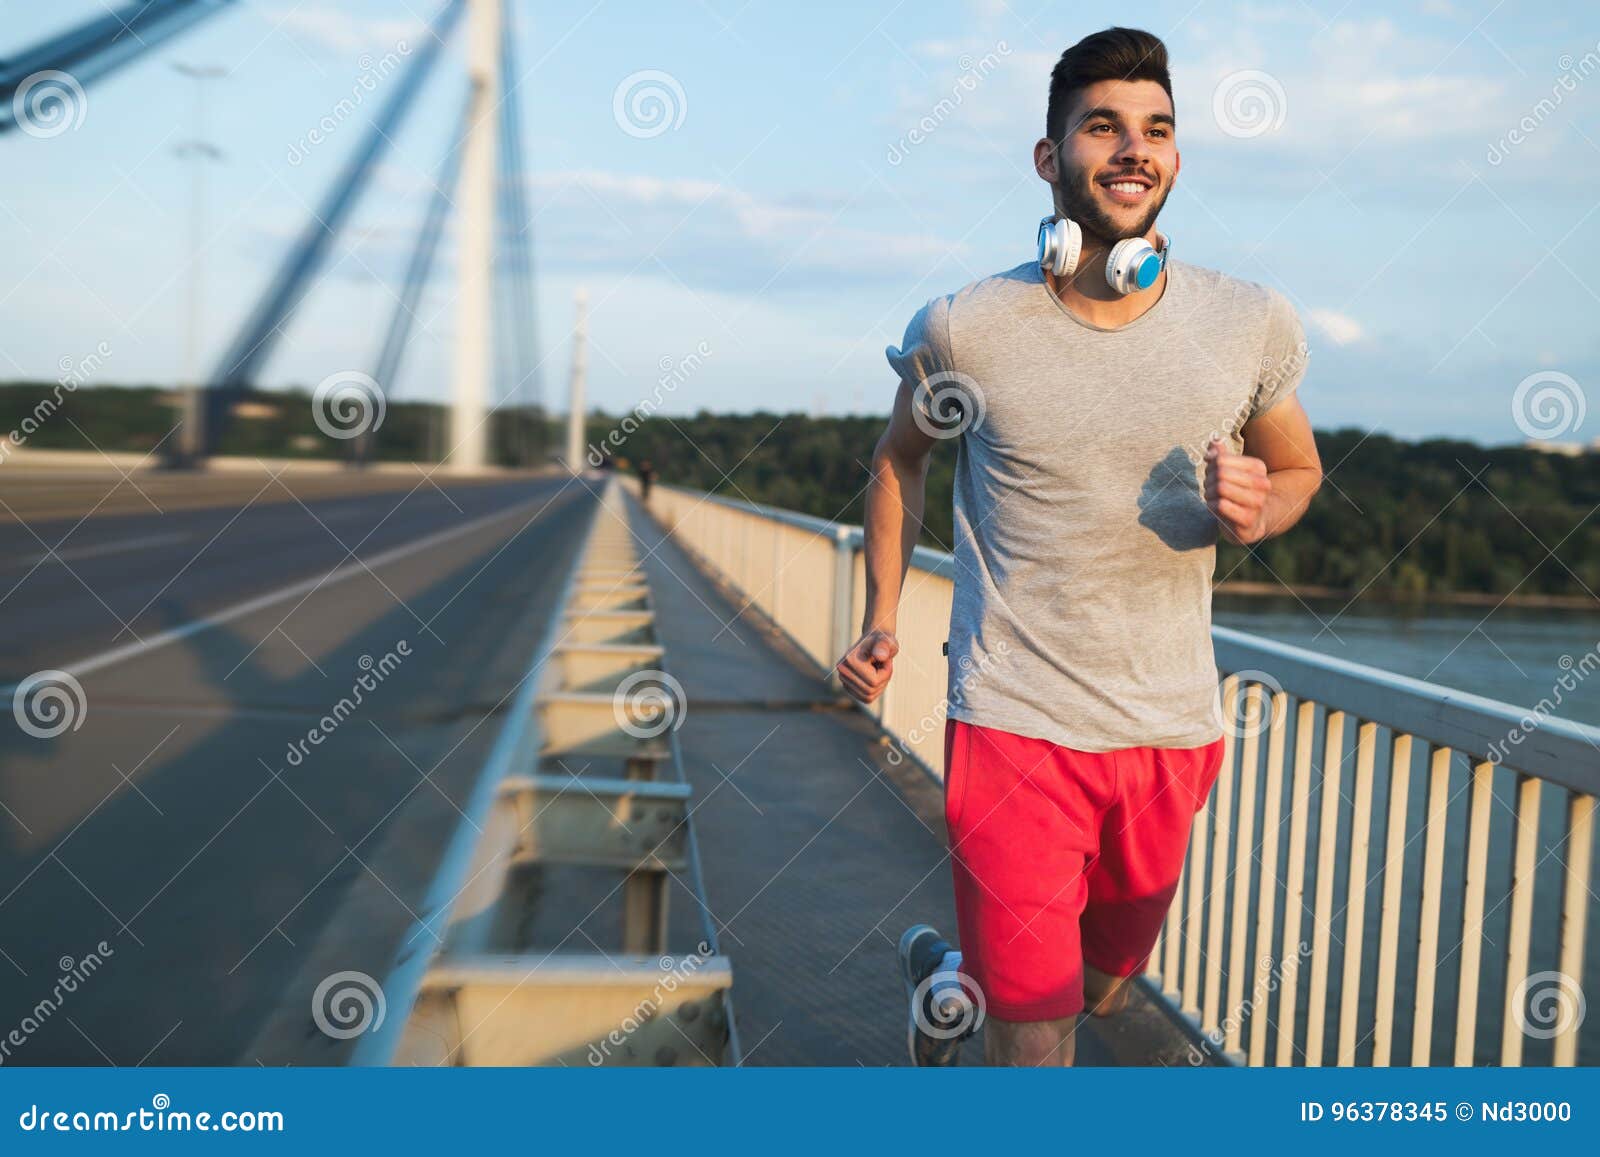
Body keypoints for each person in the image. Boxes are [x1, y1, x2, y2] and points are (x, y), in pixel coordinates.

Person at [835, 27, 1323, 1067]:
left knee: (1099, 990)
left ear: (1177, 159)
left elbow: (1297, 472)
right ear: (1050, 158)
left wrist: (1259, 507)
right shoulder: (966, 327)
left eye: (1155, 130)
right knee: (1039, 1038)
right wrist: (881, 614)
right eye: (1102, 127)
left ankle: (949, 983)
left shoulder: (1246, 321)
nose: (1132, 148)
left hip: (1170, 727)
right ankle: (995, 1004)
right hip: (1015, 722)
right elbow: (895, 460)